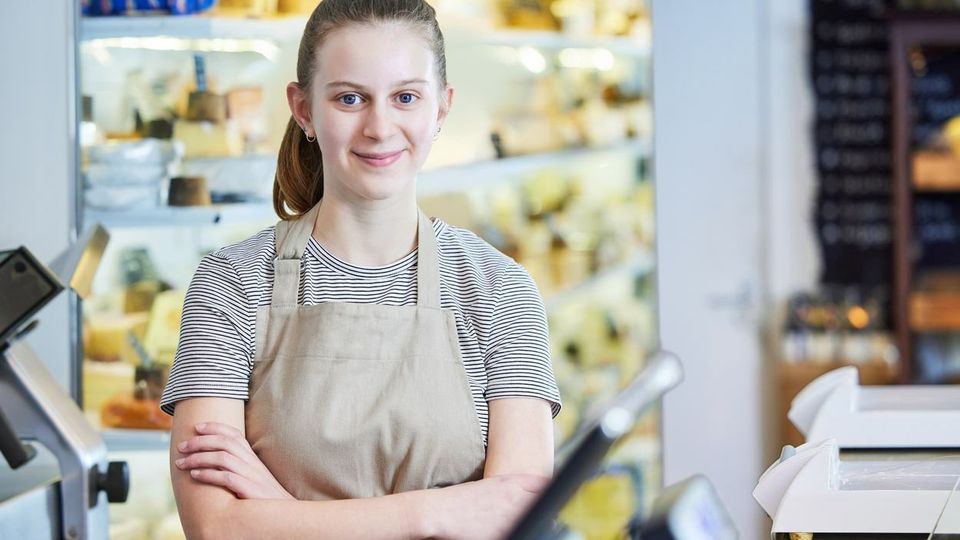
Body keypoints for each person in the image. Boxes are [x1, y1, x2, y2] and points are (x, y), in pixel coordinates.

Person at [159, 0, 562, 538]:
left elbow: (517, 519)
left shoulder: (499, 289)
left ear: (441, 109)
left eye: (405, 97)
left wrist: (278, 509)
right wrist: (435, 513)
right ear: (302, 108)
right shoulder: (230, 282)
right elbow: (217, 528)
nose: (379, 127)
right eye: (350, 98)